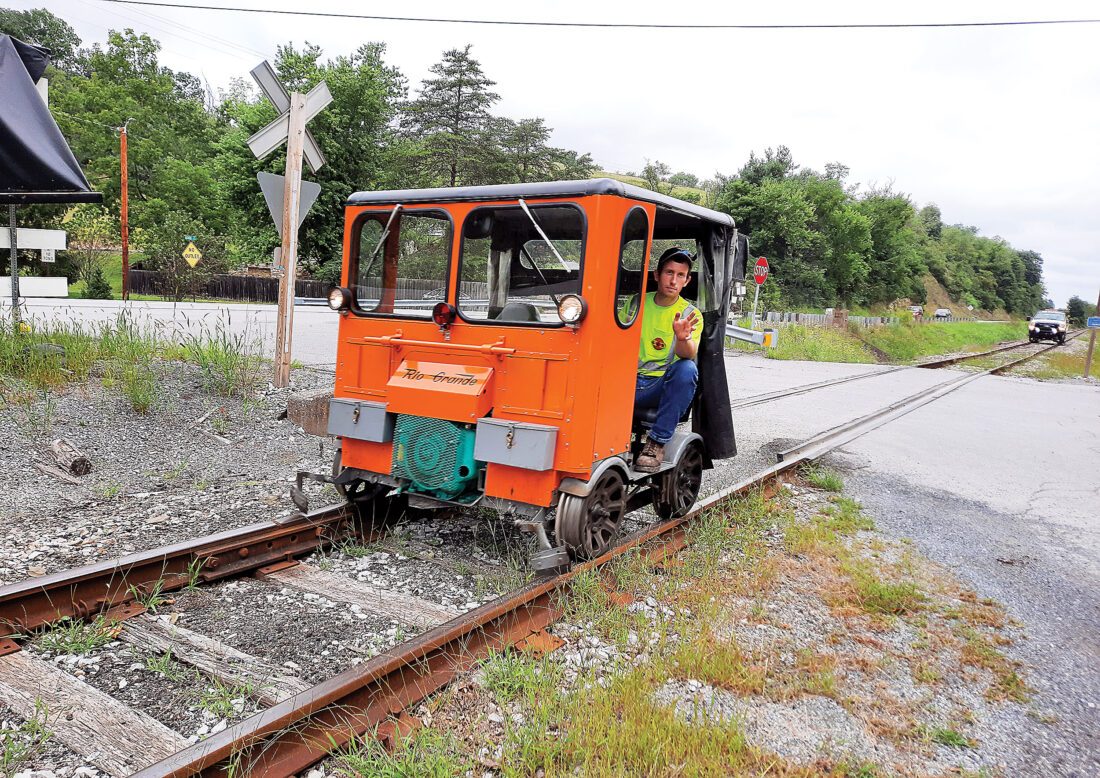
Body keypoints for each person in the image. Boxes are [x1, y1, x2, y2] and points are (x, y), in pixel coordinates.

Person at [633, 246, 701, 472]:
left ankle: (656, 443)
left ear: (687, 281)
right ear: (656, 275)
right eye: (669, 273)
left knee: (686, 369)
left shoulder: (690, 314)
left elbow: (688, 353)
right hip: (626, 383)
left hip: (658, 387)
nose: (673, 280)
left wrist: (682, 337)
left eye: (680, 275)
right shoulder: (636, 304)